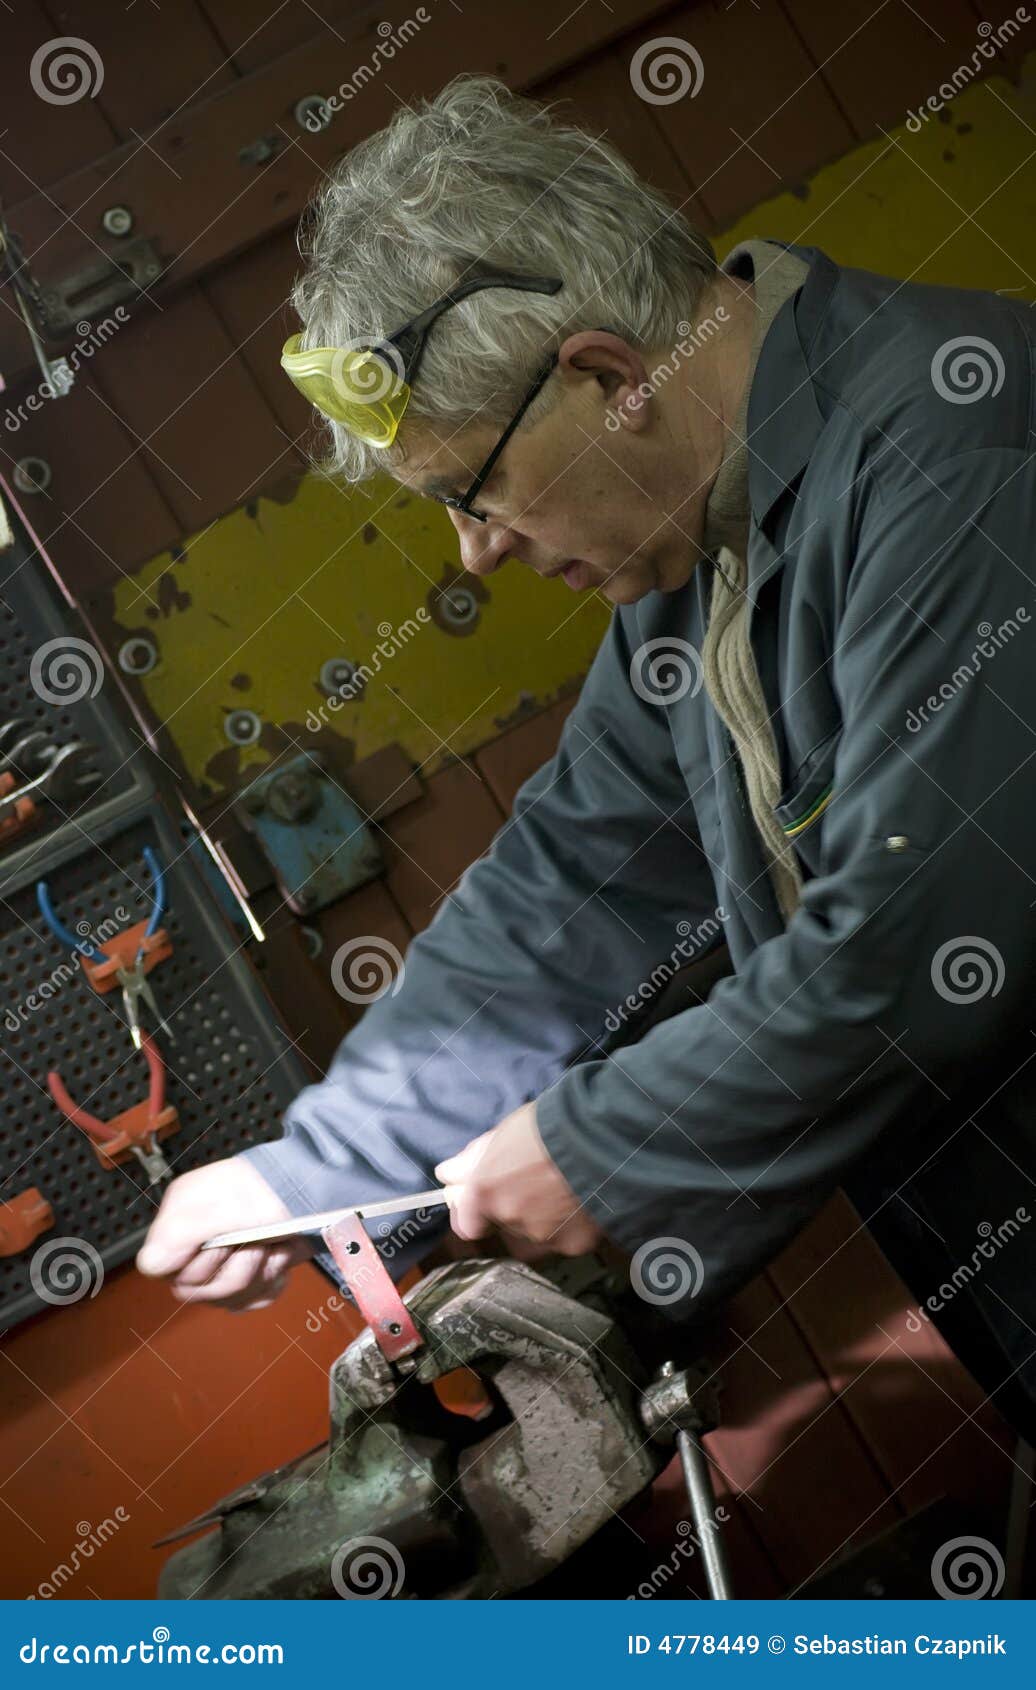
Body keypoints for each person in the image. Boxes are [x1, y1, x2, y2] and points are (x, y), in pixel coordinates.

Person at [139, 77, 1036, 1440]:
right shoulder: (693, 550)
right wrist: (314, 1168)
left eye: (471, 492)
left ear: (612, 379)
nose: (478, 550)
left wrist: (595, 1144)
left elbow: (919, 941)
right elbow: (575, 881)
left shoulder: (953, 453)